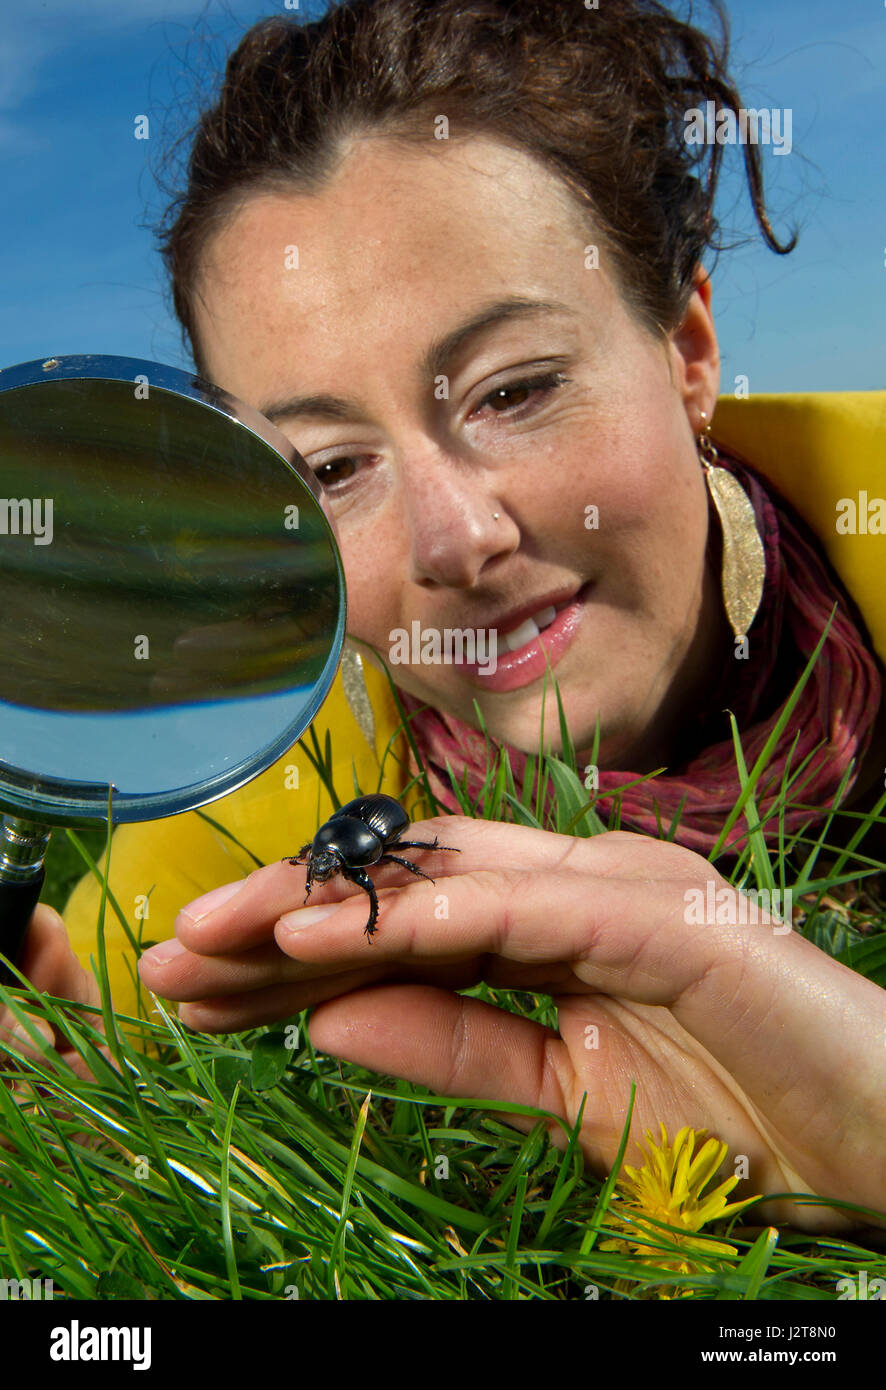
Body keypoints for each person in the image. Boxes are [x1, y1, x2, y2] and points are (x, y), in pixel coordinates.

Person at [5, 0, 886, 1235]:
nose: (453, 541)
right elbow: (112, 1065)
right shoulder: (243, 827)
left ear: (690, 349)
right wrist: (85, 1110)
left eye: (514, 390)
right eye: (328, 468)